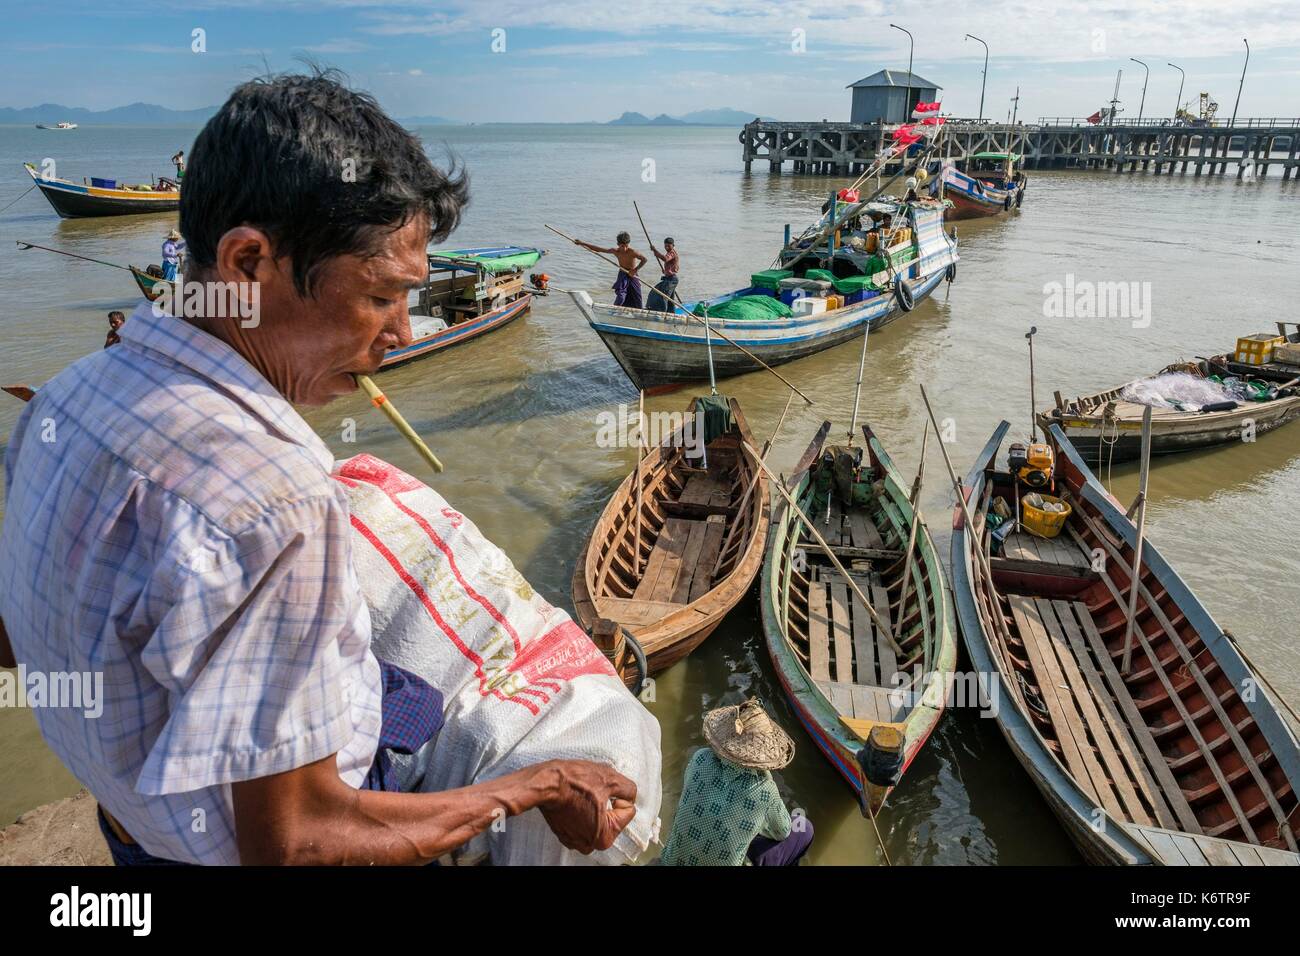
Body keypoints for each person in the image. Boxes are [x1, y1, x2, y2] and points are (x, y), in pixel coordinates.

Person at [0, 70, 637, 866]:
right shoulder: (275, 504)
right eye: (381, 298)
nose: (403, 333)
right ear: (248, 263)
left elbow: (28, 627)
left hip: (130, 821)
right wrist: (534, 787)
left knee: (394, 688)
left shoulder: (65, 398)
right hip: (217, 844)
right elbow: (297, 844)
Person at [659, 698, 814, 866]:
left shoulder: (700, 759)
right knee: (804, 829)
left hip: (671, 861)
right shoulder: (765, 789)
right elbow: (783, 832)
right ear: (765, 755)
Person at [575, 232, 646, 309]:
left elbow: (644, 259)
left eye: (626, 246)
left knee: (637, 295)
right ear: (618, 244)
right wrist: (582, 243)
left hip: (633, 274)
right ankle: (615, 309)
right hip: (623, 273)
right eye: (622, 246)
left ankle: (639, 311)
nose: (625, 248)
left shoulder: (633, 252)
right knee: (621, 295)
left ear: (628, 244)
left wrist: (635, 270)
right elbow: (599, 249)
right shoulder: (615, 251)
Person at [645, 236, 679, 313]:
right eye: (665, 245)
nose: (666, 247)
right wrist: (666, 271)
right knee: (670, 299)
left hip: (671, 280)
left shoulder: (672, 253)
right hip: (669, 278)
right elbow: (671, 265)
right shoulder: (669, 253)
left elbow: (665, 259)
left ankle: (662, 313)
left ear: (673, 245)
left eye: (669, 246)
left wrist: (655, 250)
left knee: (663, 297)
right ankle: (671, 312)